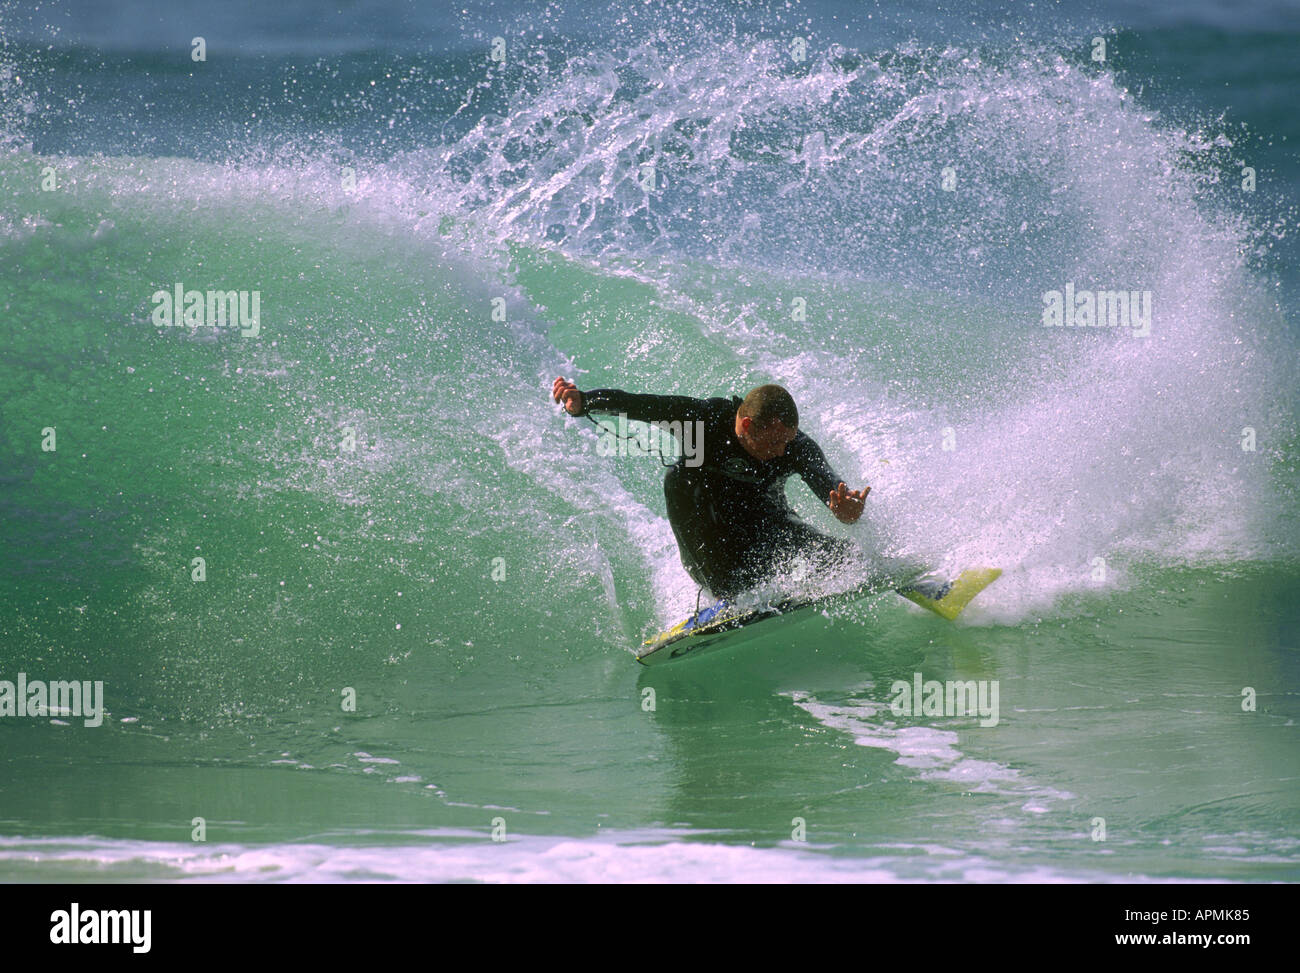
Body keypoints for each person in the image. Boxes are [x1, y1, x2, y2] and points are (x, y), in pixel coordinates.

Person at [551, 376, 871, 603]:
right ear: (746, 425)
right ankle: (722, 597)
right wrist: (585, 402)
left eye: (786, 441)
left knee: (847, 559)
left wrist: (846, 511)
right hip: (710, 540)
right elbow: (641, 405)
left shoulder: (794, 446)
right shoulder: (704, 422)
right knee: (678, 477)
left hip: (767, 526)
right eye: (774, 441)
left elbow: (829, 484)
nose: (780, 450)